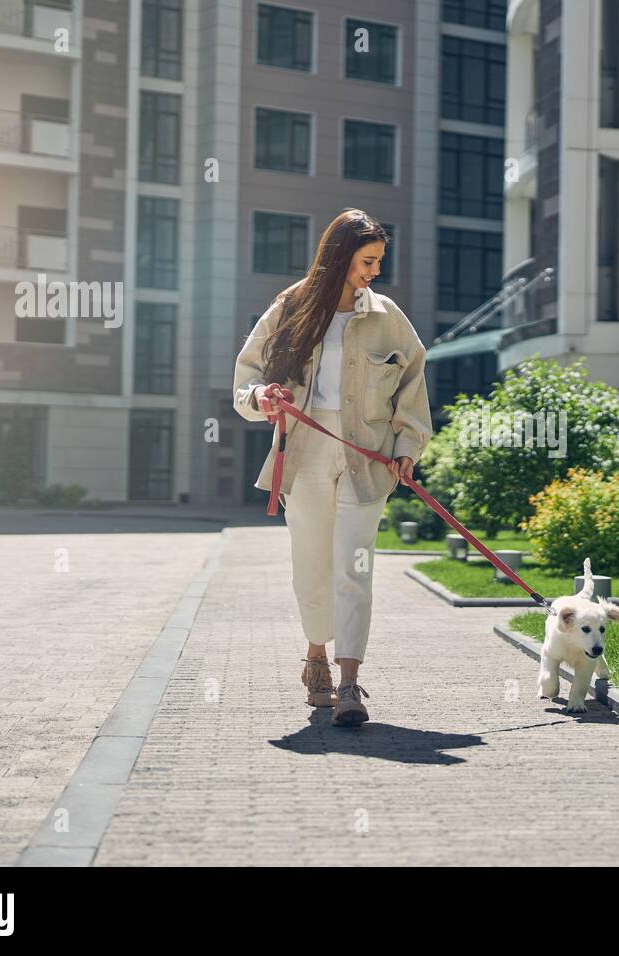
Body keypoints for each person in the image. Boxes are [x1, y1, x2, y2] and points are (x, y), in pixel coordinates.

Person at [232, 209, 432, 727]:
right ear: (340, 256)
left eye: (379, 262)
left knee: (355, 567)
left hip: (368, 460)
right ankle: (315, 657)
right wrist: (262, 396)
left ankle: (348, 683)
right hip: (305, 452)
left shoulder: (388, 316)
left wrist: (409, 445)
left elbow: (413, 385)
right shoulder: (291, 306)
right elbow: (246, 376)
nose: (374, 272)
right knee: (312, 564)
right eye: (367, 261)